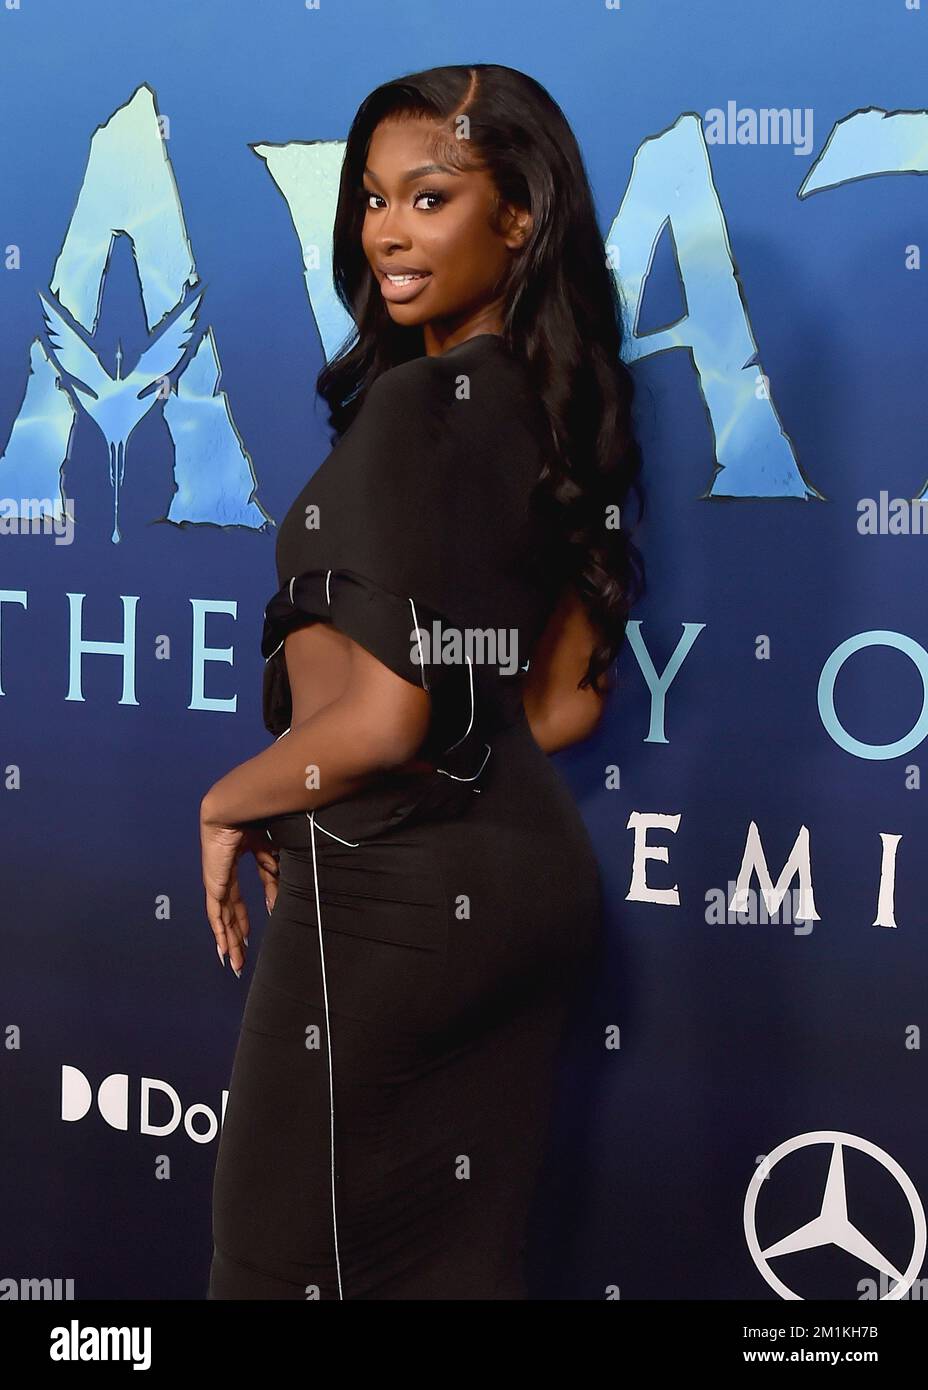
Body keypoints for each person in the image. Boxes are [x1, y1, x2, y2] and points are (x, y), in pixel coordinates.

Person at [202, 63, 645, 1300]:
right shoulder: (554, 411)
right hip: (525, 893)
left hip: (391, 900)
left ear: (519, 218)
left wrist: (233, 799)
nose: (387, 231)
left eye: (430, 197)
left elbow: (391, 719)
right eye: (372, 199)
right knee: (456, 1267)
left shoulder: (411, 409)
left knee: (279, 1264)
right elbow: (557, 706)